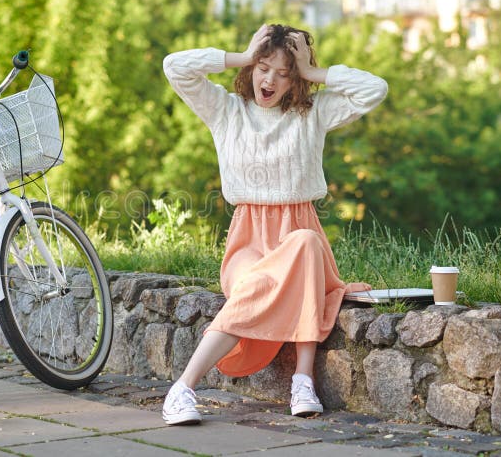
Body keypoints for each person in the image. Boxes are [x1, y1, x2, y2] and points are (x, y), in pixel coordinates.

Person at [160, 24, 388, 426]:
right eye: (264, 68)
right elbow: (175, 66)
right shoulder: (225, 110)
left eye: (284, 73)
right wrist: (242, 55)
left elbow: (375, 88)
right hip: (248, 240)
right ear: (252, 68)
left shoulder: (311, 113)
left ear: (295, 78)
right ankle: (183, 388)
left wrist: (314, 73)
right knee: (252, 284)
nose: (270, 80)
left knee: (303, 244)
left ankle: (302, 380)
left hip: (301, 232)